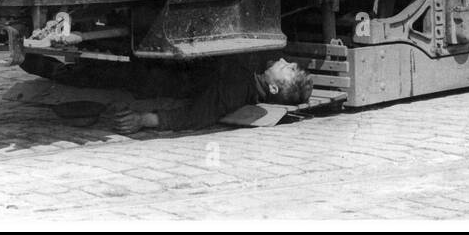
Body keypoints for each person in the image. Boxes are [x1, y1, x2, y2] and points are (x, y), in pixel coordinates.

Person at [105, 55, 314, 133]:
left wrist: (143, 120)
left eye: (286, 68)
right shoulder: (252, 76)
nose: (283, 60)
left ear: (274, 88)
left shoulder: (238, 88)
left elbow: (198, 115)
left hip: (153, 77)